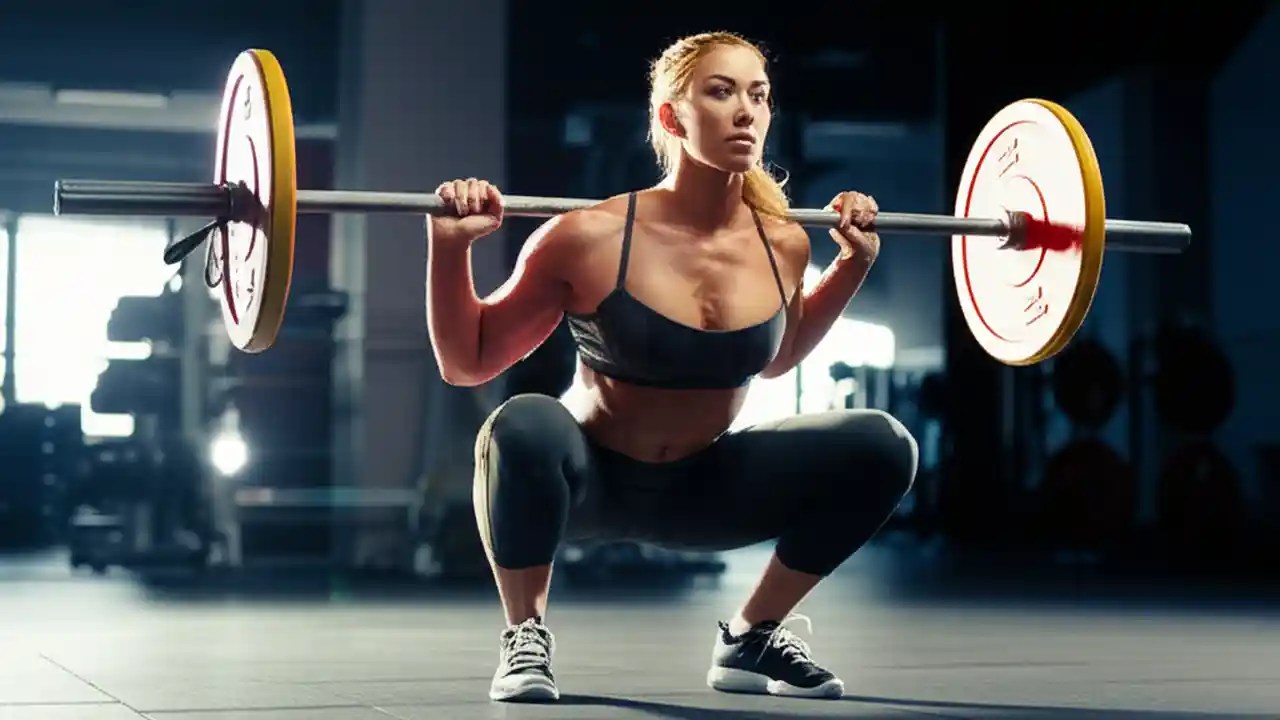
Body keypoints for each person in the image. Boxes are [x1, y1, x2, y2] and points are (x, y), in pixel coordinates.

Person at [425, 30, 918, 703]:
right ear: (671, 117)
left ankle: (751, 636)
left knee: (882, 446)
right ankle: (525, 636)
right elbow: (467, 361)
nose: (745, 110)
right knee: (524, 424)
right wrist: (449, 250)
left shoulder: (783, 244)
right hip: (587, 485)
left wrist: (852, 265)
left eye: (759, 95)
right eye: (720, 92)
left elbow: (779, 361)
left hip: (704, 491)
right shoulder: (589, 237)